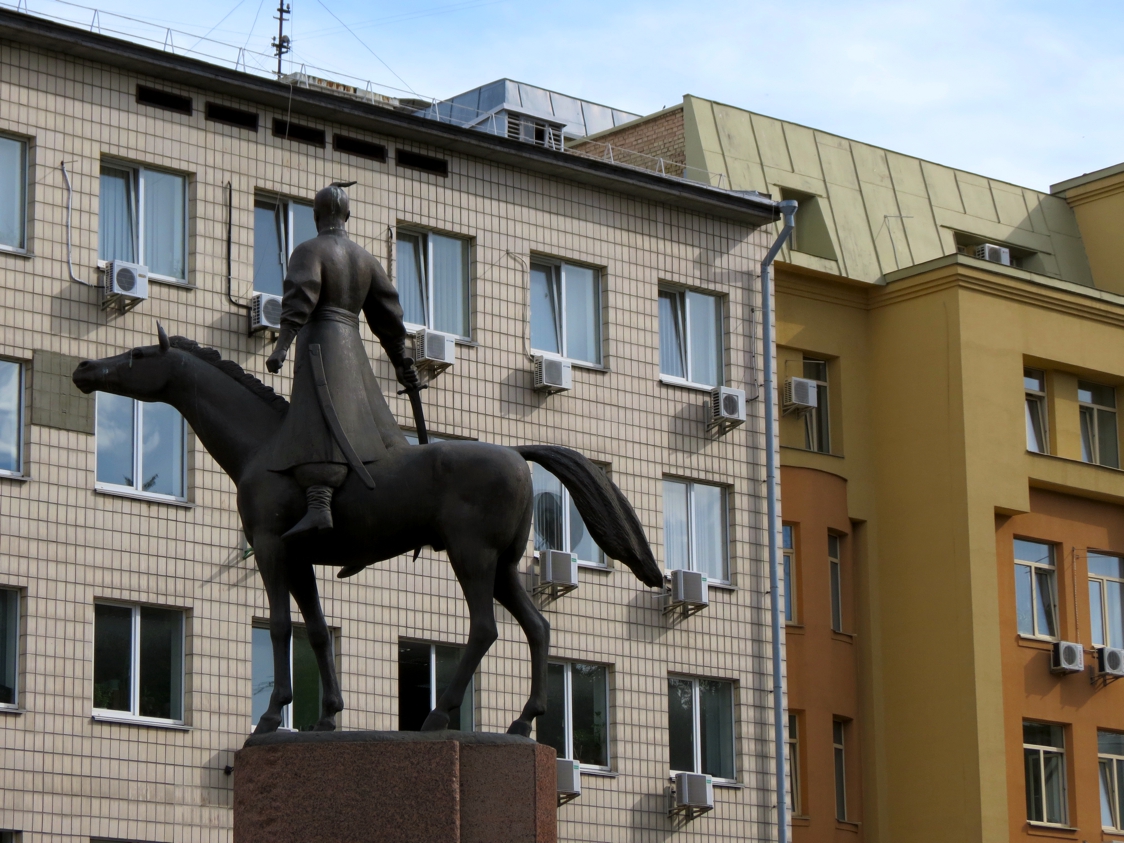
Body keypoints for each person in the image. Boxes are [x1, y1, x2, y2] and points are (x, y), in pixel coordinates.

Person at [266, 183, 418, 539]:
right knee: (366, 418)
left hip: (321, 344)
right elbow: (388, 314)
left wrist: (282, 346)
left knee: (319, 416)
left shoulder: (309, 250)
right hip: (353, 348)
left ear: (316, 215)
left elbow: (301, 297)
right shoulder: (365, 259)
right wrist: (401, 360)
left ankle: (319, 503)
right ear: (347, 215)